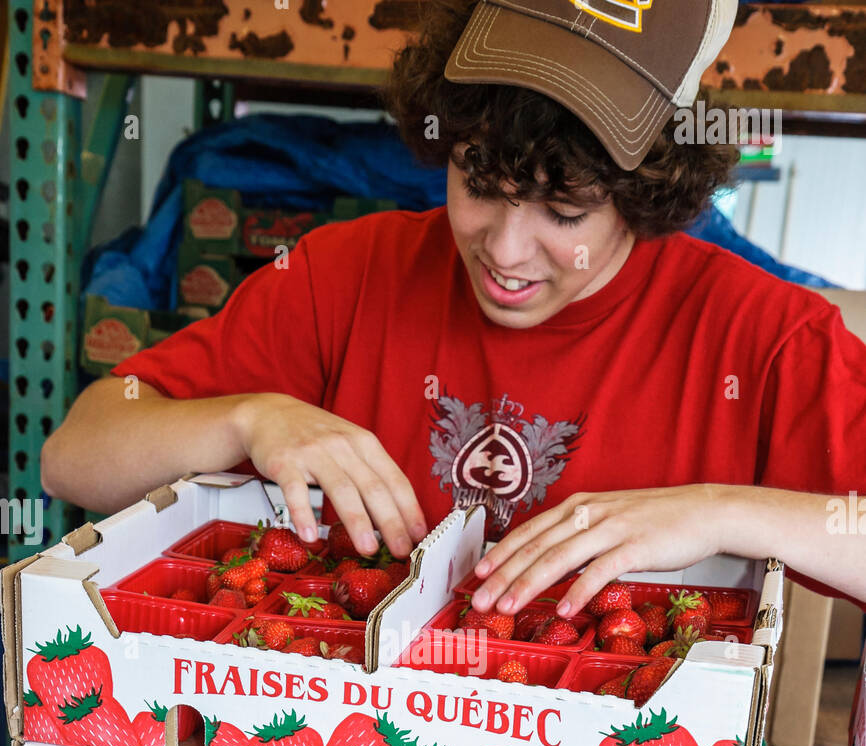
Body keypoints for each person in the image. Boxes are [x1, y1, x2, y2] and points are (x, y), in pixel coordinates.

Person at [42, 0, 866, 618]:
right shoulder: (344, 274)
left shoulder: (762, 336)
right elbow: (76, 454)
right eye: (479, 183)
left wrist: (722, 510)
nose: (505, 251)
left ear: (646, 195)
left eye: (564, 213)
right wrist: (251, 421)